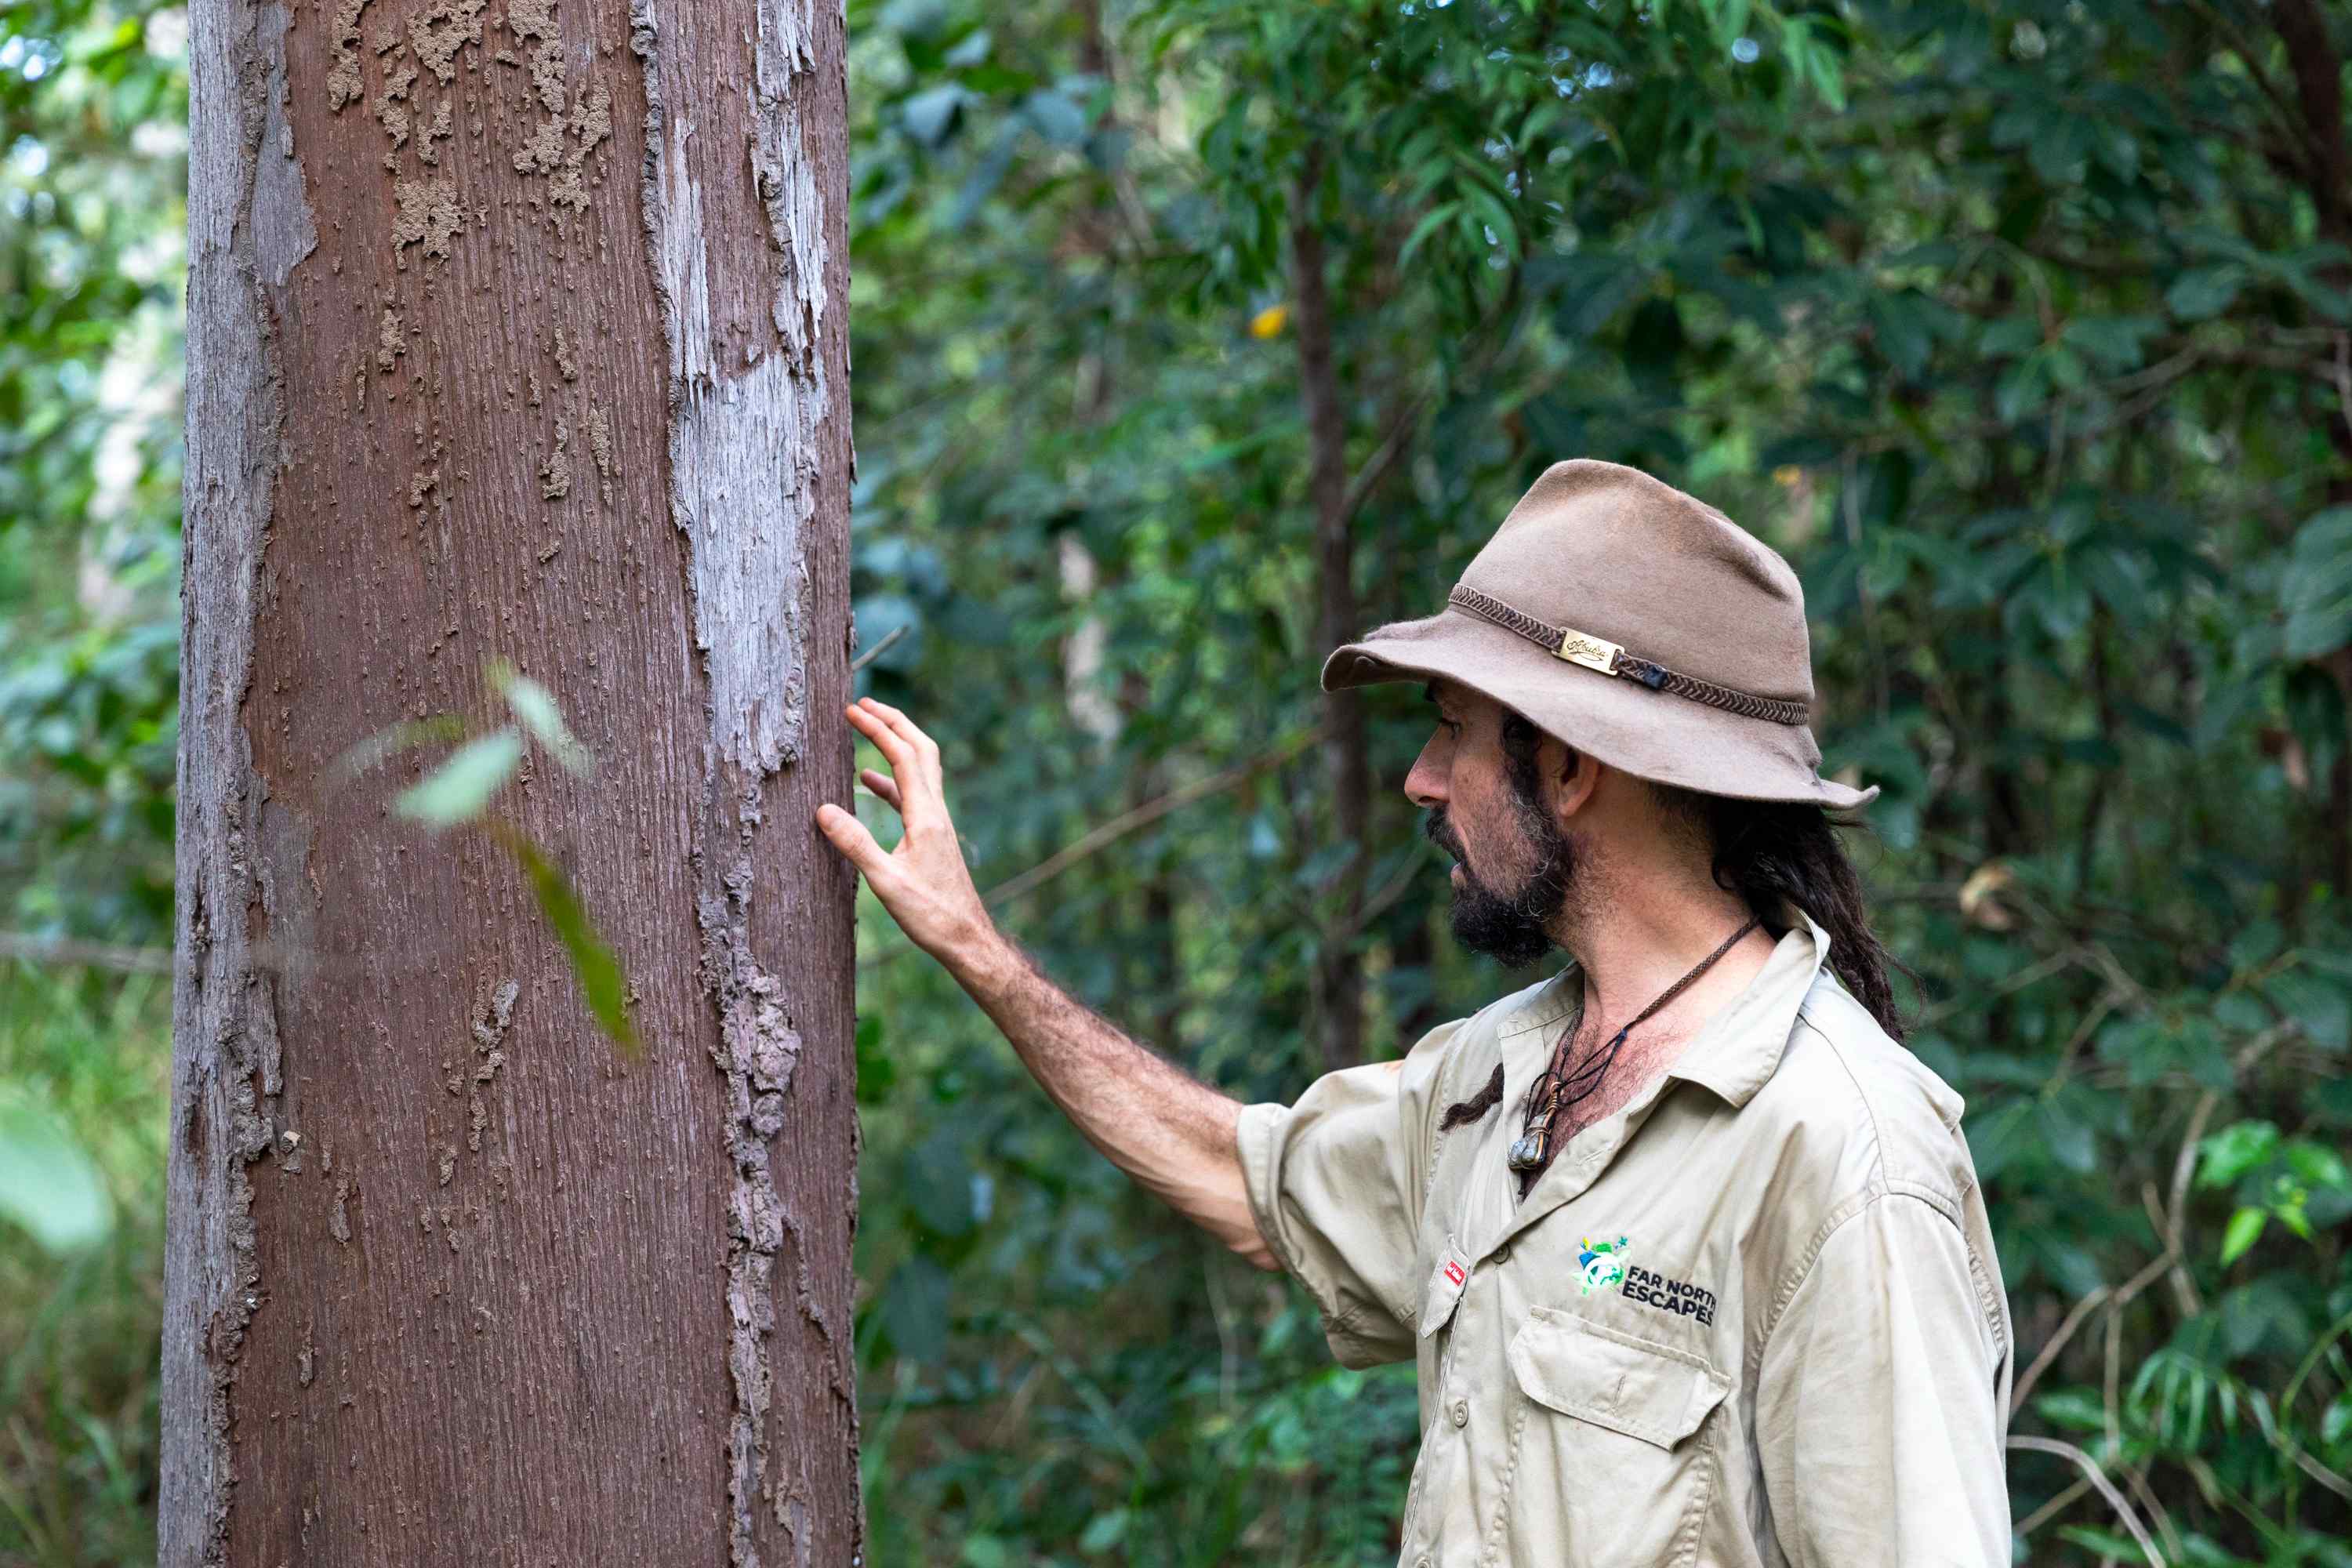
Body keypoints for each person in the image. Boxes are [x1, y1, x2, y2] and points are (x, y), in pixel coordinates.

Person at [815, 458, 2013, 1566]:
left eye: (1452, 728)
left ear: (1572, 767)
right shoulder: (1498, 1080)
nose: (1421, 780)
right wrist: (976, 949)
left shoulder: (1844, 1153)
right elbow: (1246, 1180)